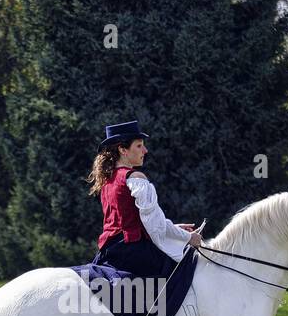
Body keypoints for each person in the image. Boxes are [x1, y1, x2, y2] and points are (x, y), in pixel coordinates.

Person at [87, 120, 202, 280]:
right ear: (122, 149)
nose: (145, 150)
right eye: (139, 145)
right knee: (186, 270)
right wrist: (188, 238)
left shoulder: (108, 180)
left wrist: (174, 229)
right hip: (133, 251)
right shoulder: (135, 178)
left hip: (110, 250)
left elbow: (139, 222)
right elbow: (155, 225)